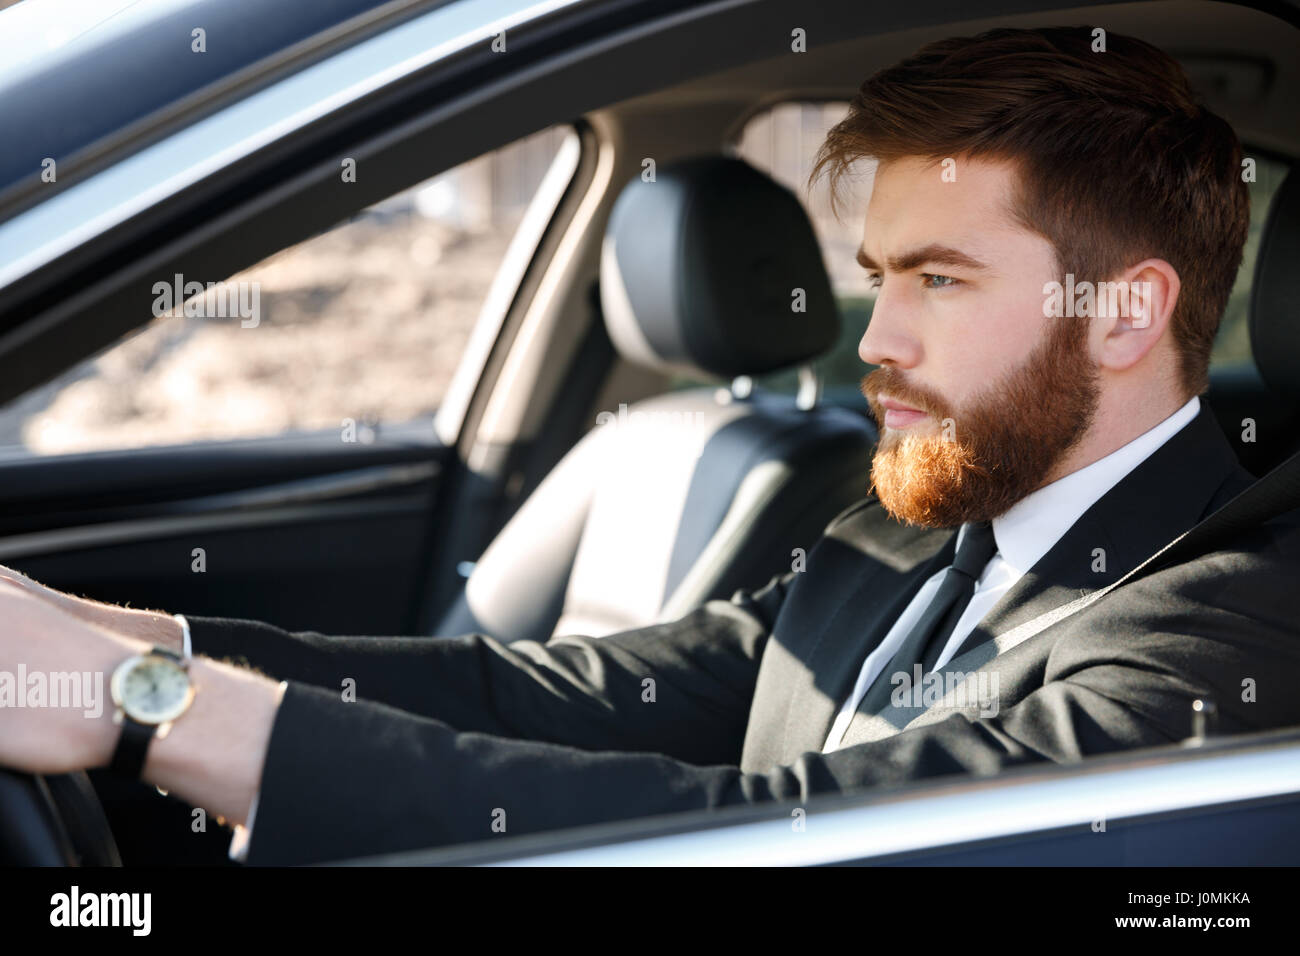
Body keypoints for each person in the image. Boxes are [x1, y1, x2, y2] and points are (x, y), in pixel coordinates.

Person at [3, 26, 1298, 865]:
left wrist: (141, 718)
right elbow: (569, 696)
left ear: (1124, 313)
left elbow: (794, 837)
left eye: (941, 283)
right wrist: (113, 644)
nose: (876, 339)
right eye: (878, 277)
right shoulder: (911, 530)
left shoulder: (1221, 633)